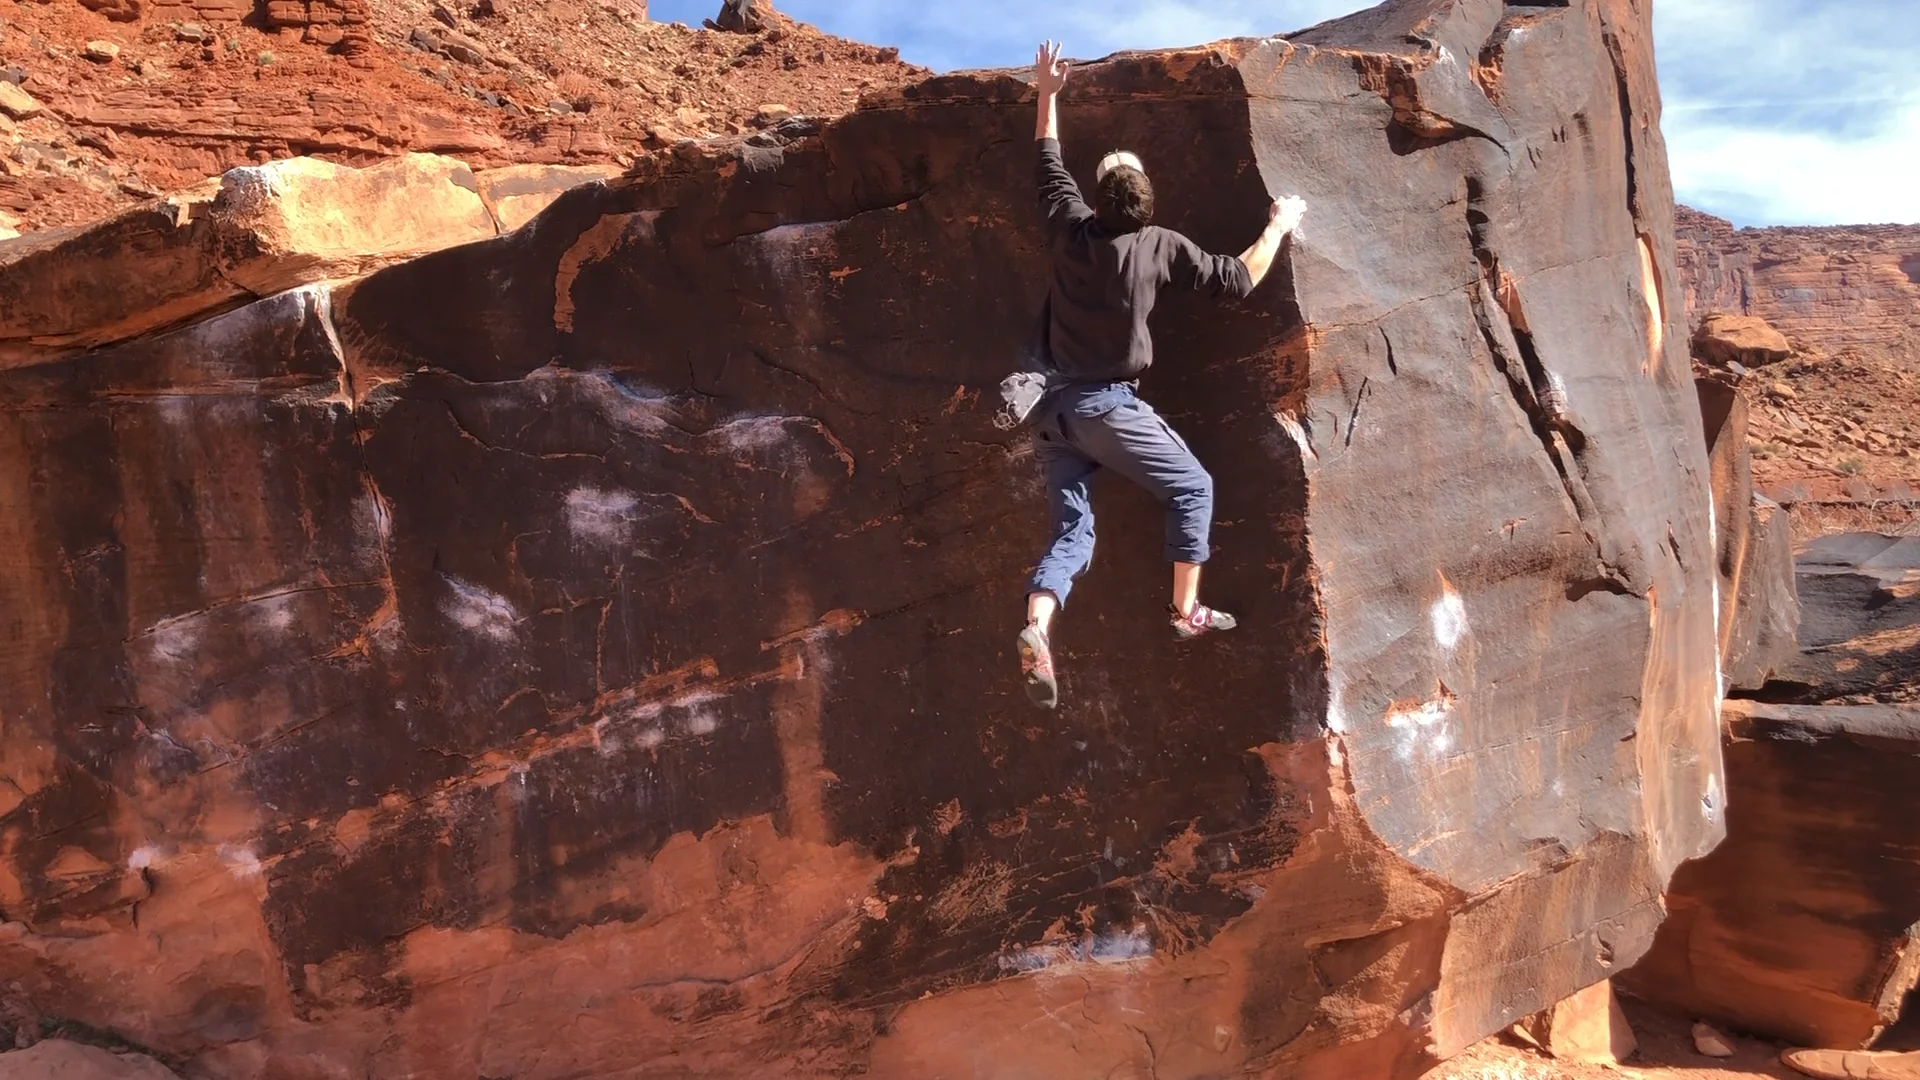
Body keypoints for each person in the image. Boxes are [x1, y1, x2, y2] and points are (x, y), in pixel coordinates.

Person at [1017, 40, 1307, 711]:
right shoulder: (1159, 246)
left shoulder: (1071, 229)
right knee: (1193, 488)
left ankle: (1037, 624)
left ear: (1099, 201)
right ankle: (1186, 611)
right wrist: (1279, 226)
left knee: (1072, 533)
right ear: (1146, 205)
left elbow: (1047, 160)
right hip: (1106, 408)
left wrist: (1048, 94)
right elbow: (1237, 279)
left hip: (1054, 414)